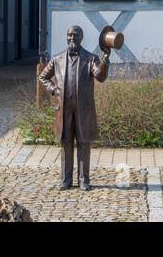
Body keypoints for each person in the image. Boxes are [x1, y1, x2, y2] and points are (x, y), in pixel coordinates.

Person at [38, 25, 110, 191]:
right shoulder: (57, 59)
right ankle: (66, 179)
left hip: (83, 109)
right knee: (66, 142)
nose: (72, 38)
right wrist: (53, 89)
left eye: (75, 36)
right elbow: (43, 77)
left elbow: (100, 76)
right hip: (64, 110)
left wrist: (105, 58)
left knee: (84, 143)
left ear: (81, 38)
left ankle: (84, 180)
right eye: (69, 35)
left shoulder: (90, 58)